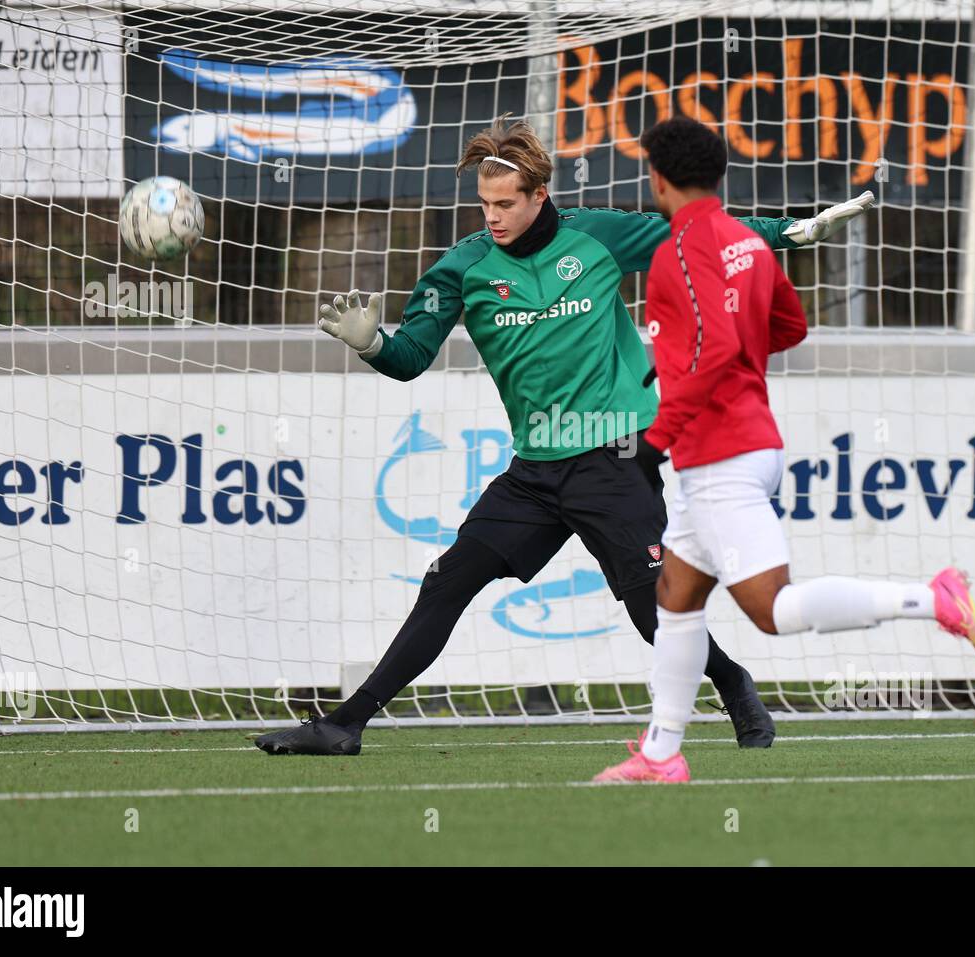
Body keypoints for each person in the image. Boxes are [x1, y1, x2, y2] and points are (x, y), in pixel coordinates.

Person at [256, 115, 809, 756]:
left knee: (649, 611)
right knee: (447, 582)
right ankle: (345, 724)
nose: (492, 216)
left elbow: (701, 237)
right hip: (535, 471)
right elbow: (410, 357)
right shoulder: (463, 266)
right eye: (485, 204)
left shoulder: (597, 236)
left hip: (614, 457)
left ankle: (734, 683)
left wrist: (786, 233)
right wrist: (374, 343)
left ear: (539, 195)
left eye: (505, 204)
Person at [594, 118, 975, 784]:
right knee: (676, 595)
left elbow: (713, 350)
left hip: (719, 452)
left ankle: (934, 598)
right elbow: (790, 324)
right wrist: (733, 359)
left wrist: (654, 438)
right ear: (719, 177)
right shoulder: (749, 243)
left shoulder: (676, 251)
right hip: (739, 443)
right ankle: (662, 754)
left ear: (657, 179)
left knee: (771, 610)